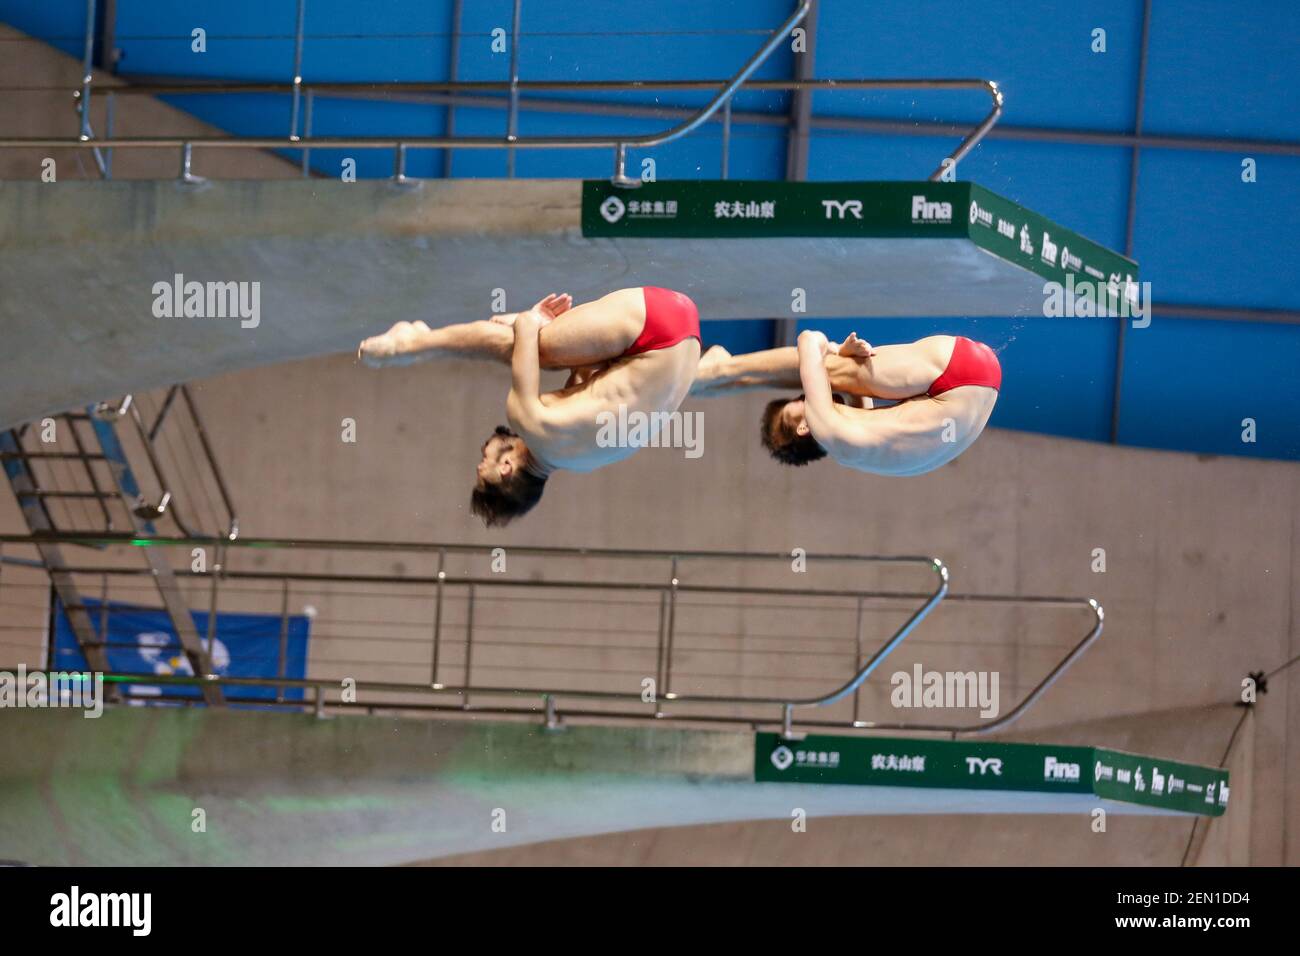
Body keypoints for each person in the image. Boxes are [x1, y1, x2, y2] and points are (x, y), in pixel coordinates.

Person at [359, 288, 701, 526]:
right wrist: (530, 322)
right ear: (506, 467)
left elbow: (590, 376)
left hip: (686, 334)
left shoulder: (582, 460)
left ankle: (542, 331)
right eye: (483, 464)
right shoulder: (530, 421)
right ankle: (411, 344)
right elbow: (524, 326)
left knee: (544, 349)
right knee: (527, 348)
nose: (483, 452)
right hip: (656, 325)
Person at [747, 330, 1001, 476]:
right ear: (802, 428)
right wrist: (836, 348)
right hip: (956, 371)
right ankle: (724, 370)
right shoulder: (824, 426)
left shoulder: (852, 448)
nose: (804, 396)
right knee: (835, 370)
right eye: (798, 400)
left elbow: (864, 407)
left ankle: (726, 372)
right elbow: (809, 339)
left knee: (844, 372)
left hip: (985, 386)